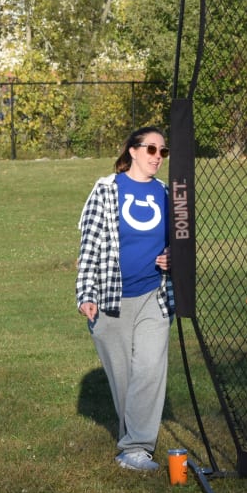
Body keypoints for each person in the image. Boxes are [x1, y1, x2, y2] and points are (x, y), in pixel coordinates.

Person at [76, 127, 174, 472]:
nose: (157, 157)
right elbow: (90, 243)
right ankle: (130, 441)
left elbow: (180, 241)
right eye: (151, 149)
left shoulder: (167, 194)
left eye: (163, 151)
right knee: (124, 377)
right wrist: (86, 294)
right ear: (132, 151)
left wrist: (172, 256)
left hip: (154, 296)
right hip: (110, 298)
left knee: (149, 369)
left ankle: (136, 449)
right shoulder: (106, 190)